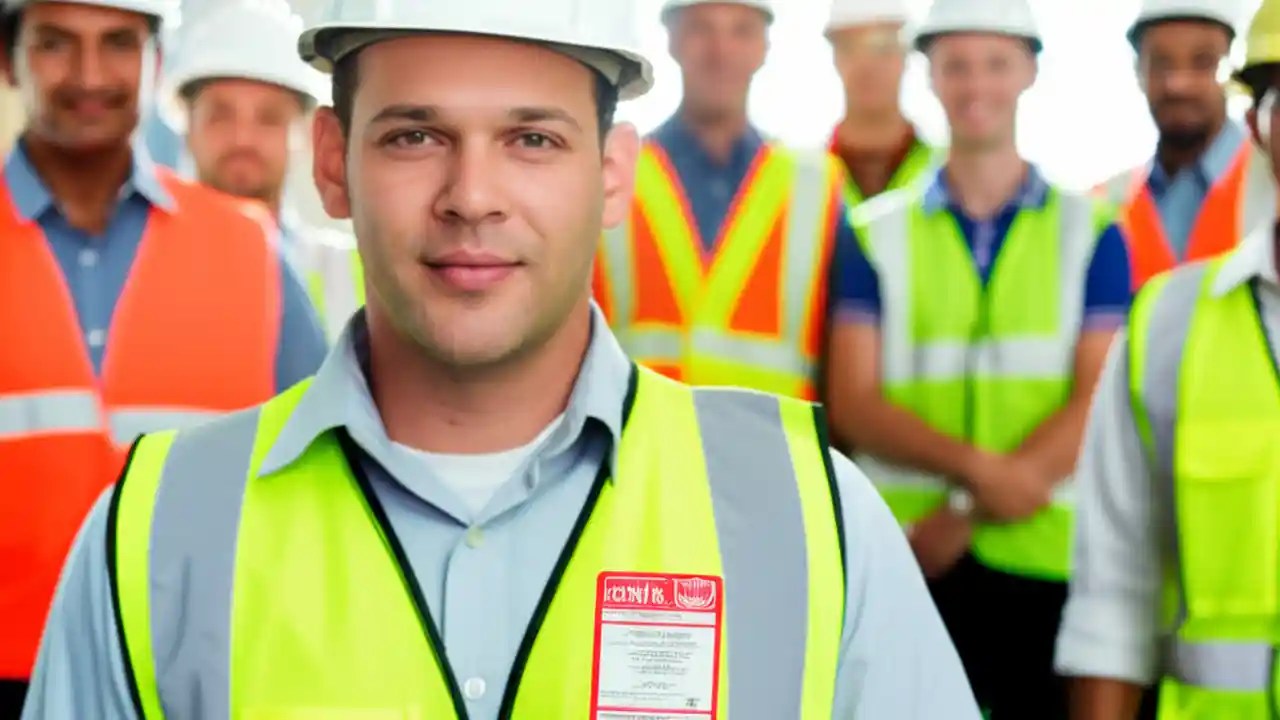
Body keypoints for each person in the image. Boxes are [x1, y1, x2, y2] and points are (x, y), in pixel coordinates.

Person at [19, 0, 982, 717]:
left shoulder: (817, 521)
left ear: (611, 174)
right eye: (415, 135)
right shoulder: (154, 535)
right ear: (331, 161)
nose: (470, 195)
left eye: (531, 138)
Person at [0, 0, 326, 712]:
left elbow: (328, 481)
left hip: (200, 673)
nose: (89, 74)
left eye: (118, 42)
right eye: (56, 43)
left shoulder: (249, 250)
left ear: (155, 60)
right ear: (9, 58)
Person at [825, 0, 1134, 716]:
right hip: (904, 556)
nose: (975, 86)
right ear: (927, 74)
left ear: (1029, 72)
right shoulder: (873, 233)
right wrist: (985, 482)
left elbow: (1098, 400)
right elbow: (856, 403)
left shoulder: (1093, 230)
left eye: (996, 63)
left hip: (1048, 562)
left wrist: (966, 507)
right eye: (956, 65)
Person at [1055, 3, 1280, 717]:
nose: (1179, 81)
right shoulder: (1167, 321)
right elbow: (1110, 605)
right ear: (1260, 125)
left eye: (1199, 61)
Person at [593, 0, 849, 402]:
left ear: (765, 46)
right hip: (635, 453)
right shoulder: (607, 170)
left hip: (774, 457)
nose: (720, 50)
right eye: (701, 29)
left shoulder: (818, 185)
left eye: (740, 31)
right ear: (672, 39)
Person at [162, 0, 364, 341]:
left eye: (268, 117)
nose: (243, 138)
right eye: (221, 114)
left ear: (303, 132)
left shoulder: (352, 276)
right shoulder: (139, 267)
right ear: (186, 126)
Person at [1095, 0, 1272, 290]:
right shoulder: (1104, 203)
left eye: (1202, 61)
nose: (1178, 84)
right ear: (1138, 70)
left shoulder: (1272, 183)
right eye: (1161, 62)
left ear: (1230, 65)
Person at [825, 0, 936, 206]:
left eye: (882, 47)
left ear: (906, 54)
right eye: (850, 48)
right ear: (834, 56)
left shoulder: (946, 173)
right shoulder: (800, 177)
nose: (867, 65)